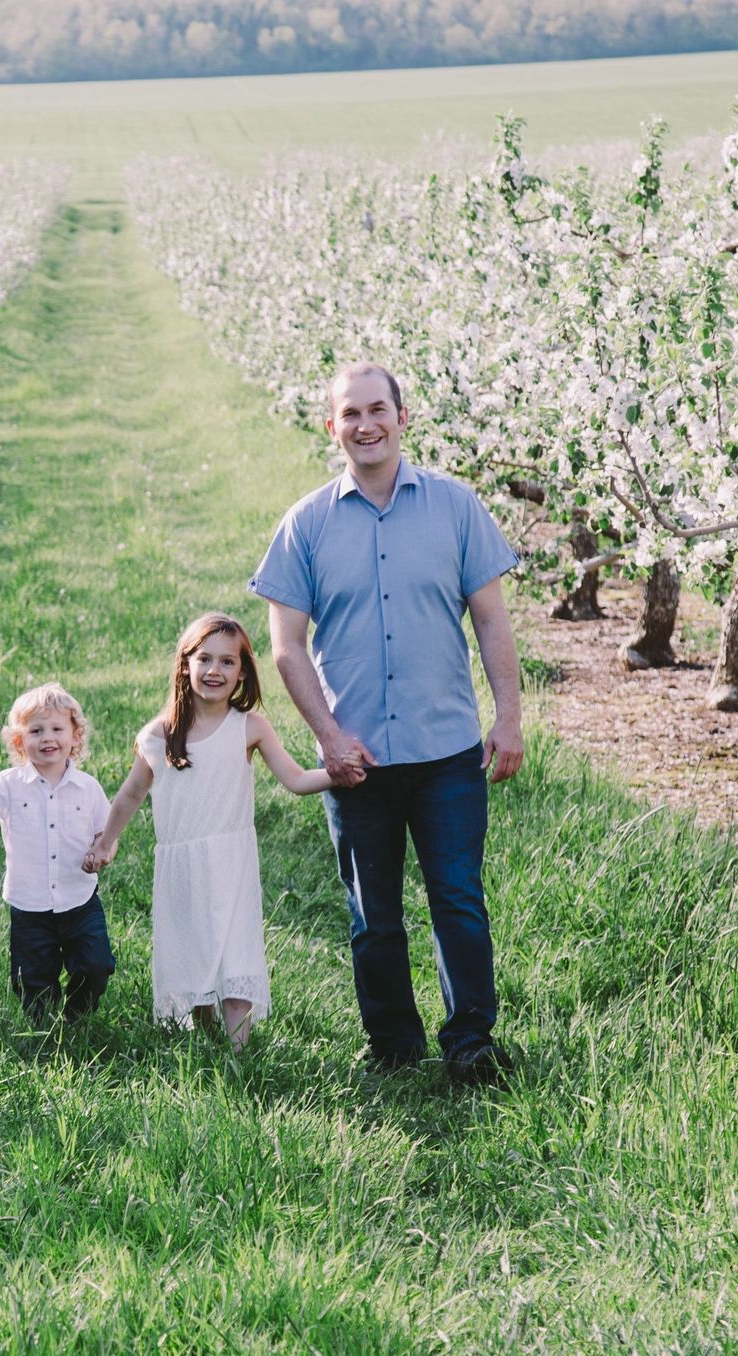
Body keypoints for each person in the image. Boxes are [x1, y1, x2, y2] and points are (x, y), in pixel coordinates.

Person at [249, 361, 527, 1084]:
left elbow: (492, 620)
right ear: (331, 426)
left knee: (458, 901)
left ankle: (470, 1044)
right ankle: (394, 1047)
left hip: (446, 751)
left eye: (378, 409)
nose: (365, 425)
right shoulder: (305, 524)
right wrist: (329, 738)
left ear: (403, 417)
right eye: (351, 413)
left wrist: (509, 718)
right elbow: (286, 647)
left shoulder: (455, 507)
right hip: (357, 757)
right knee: (372, 912)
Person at [84, 612, 334, 1050]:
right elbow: (130, 795)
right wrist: (106, 842)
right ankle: (205, 1034)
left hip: (232, 861)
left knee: (236, 953)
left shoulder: (249, 727)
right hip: (182, 866)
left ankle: (239, 1055)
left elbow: (296, 780)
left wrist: (339, 774)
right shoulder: (158, 735)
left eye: (227, 661)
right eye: (204, 659)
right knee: (194, 952)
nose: (215, 670)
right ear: (185, 665)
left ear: (242, 672)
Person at [0, 682, 115, 1024]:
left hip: (80, 900)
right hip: (30, 906)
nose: (48, 738)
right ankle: (41, 1029)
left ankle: (77, 1018)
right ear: (19, 741)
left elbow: (106, 831)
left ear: (75, 736)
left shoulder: (88, 788)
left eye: (57, 729)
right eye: (36, 731)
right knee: (32, 979)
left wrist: (102, 851)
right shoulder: (10, 784)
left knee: (96, 965)